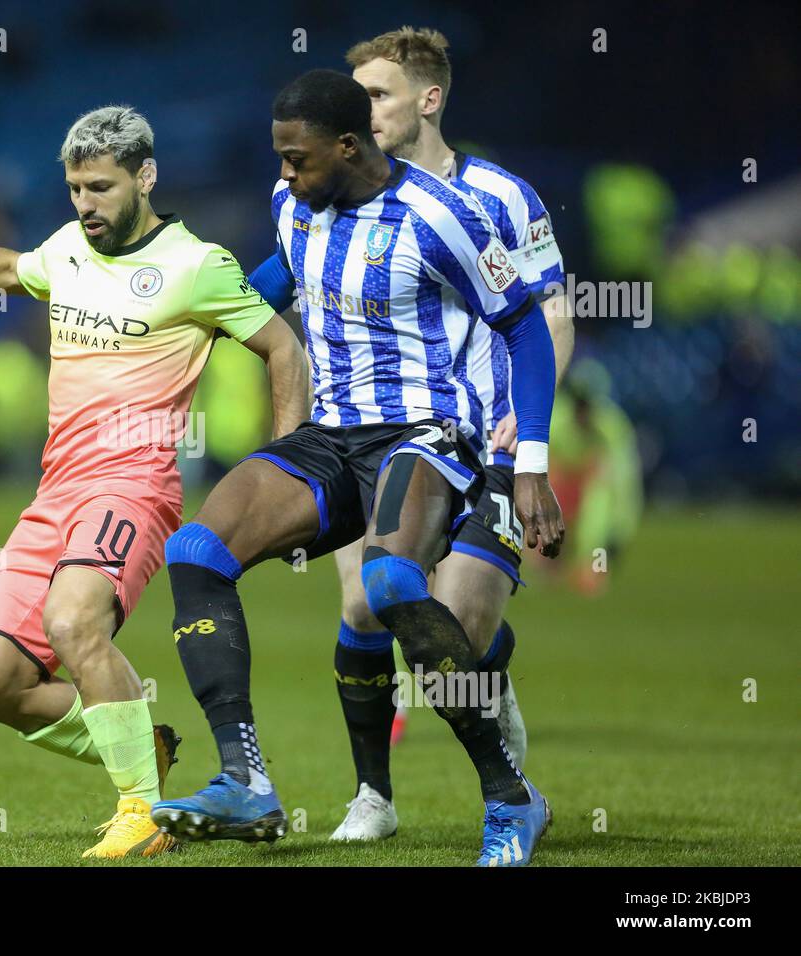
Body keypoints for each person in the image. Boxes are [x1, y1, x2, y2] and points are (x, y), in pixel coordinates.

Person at [0, 105, 308, 858]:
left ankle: (144, 810)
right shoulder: (67, 250)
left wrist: (288, 464)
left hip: (133, 488)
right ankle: (142, 750)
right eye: (75, 189)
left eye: (101, 187)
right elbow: (0, 267)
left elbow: (285, 349)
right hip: (55, 495)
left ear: (144, 177)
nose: (85, 204)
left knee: (74, 621)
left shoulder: (196, 266)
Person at [151, 71, 564, 866]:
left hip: (426, 433)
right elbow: (274, 283)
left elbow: (525, 329)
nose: (284, 175)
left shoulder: (442, 217)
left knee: (389, 587)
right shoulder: (294, 207)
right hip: (330, 435)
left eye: (296, 159)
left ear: (347, 147)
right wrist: (185, 316)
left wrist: (532, 459)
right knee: (195, 552)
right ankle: (244, 779)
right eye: (279, 159)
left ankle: (511, 797)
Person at [318, 26, 576, 842]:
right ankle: (373, 796)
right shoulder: (341, 195)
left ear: (430, 99)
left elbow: (553, 314)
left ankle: (487, 676)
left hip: (488, 443)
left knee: (454, 642)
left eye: (380, 95)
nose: (363, 112)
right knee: (364, 606)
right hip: (382, 438)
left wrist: (527, 423)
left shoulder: (503, 197)